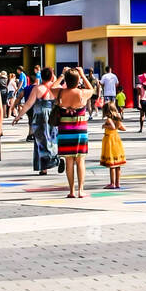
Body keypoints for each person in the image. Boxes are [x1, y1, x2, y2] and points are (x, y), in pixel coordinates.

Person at [15, 67, 62, 175]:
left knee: (40, 141)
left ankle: (43, 168)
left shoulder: (37, 88)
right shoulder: (57, 87)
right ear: (51, 76)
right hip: (53, 116)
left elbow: (28, 104)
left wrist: (19, 115)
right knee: (53, 139)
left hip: (40, 117)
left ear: (41, 76)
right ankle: (56, 158)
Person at [55, 68, 93, 198]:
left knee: (69, 161)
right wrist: (82, 74)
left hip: (64, 131)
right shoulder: (82, 93)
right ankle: (81, 190)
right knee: (80, 160)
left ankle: (71, 190)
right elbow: (92, 89)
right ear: (78, 80)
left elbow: (52, 87)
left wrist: (61, 75)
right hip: (80, 131)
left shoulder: (60, 92)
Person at [100, 102, 126, 189]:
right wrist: (118, 126)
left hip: (110, 141)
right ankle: (118, 182)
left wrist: (105, 125)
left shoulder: (109, 119)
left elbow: (112, 127)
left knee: (111, 164)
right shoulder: (117, 118)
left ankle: (112, 183)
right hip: (116, 139)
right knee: (117, 164)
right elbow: (123, 128)